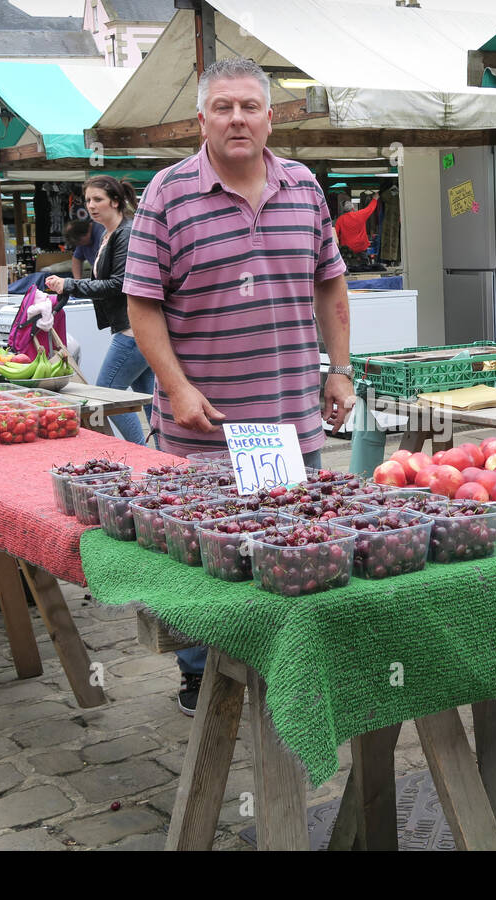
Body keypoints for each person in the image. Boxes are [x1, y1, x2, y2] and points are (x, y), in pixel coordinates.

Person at [124, 57, 351, 715]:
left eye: (249, 106)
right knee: (208, 555)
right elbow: (143, 304)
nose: (237, 118)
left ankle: (287, 668)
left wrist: (339, 367)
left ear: (270, 117)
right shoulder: (167, 194)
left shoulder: (304, 188)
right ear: (201, 118)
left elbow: (330, 282)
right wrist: (176, 388)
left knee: (290, 542)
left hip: (290, 423)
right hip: (207, 424)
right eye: (223, 107)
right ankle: (203, 676)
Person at [43, 177, 153, 445]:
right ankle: (163, 457)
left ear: (115, 202)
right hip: (134, 327)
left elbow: (118, 283)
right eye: (88, 200)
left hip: (134, 329)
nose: (91, 206)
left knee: (106, 395)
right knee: (150, 398)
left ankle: (143, 453)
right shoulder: (109, 234)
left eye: (98, 199)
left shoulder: (125, 234)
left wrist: (70, 284)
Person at [335, 194, 380, 270]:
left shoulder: (340, 220)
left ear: (344, 210)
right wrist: (375, 199)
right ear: (353, 208)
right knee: (364, 268)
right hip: (361, 248)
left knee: (348, 269)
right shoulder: (360, 215)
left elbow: (336, 234)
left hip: (347, 251)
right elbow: (370, 208)